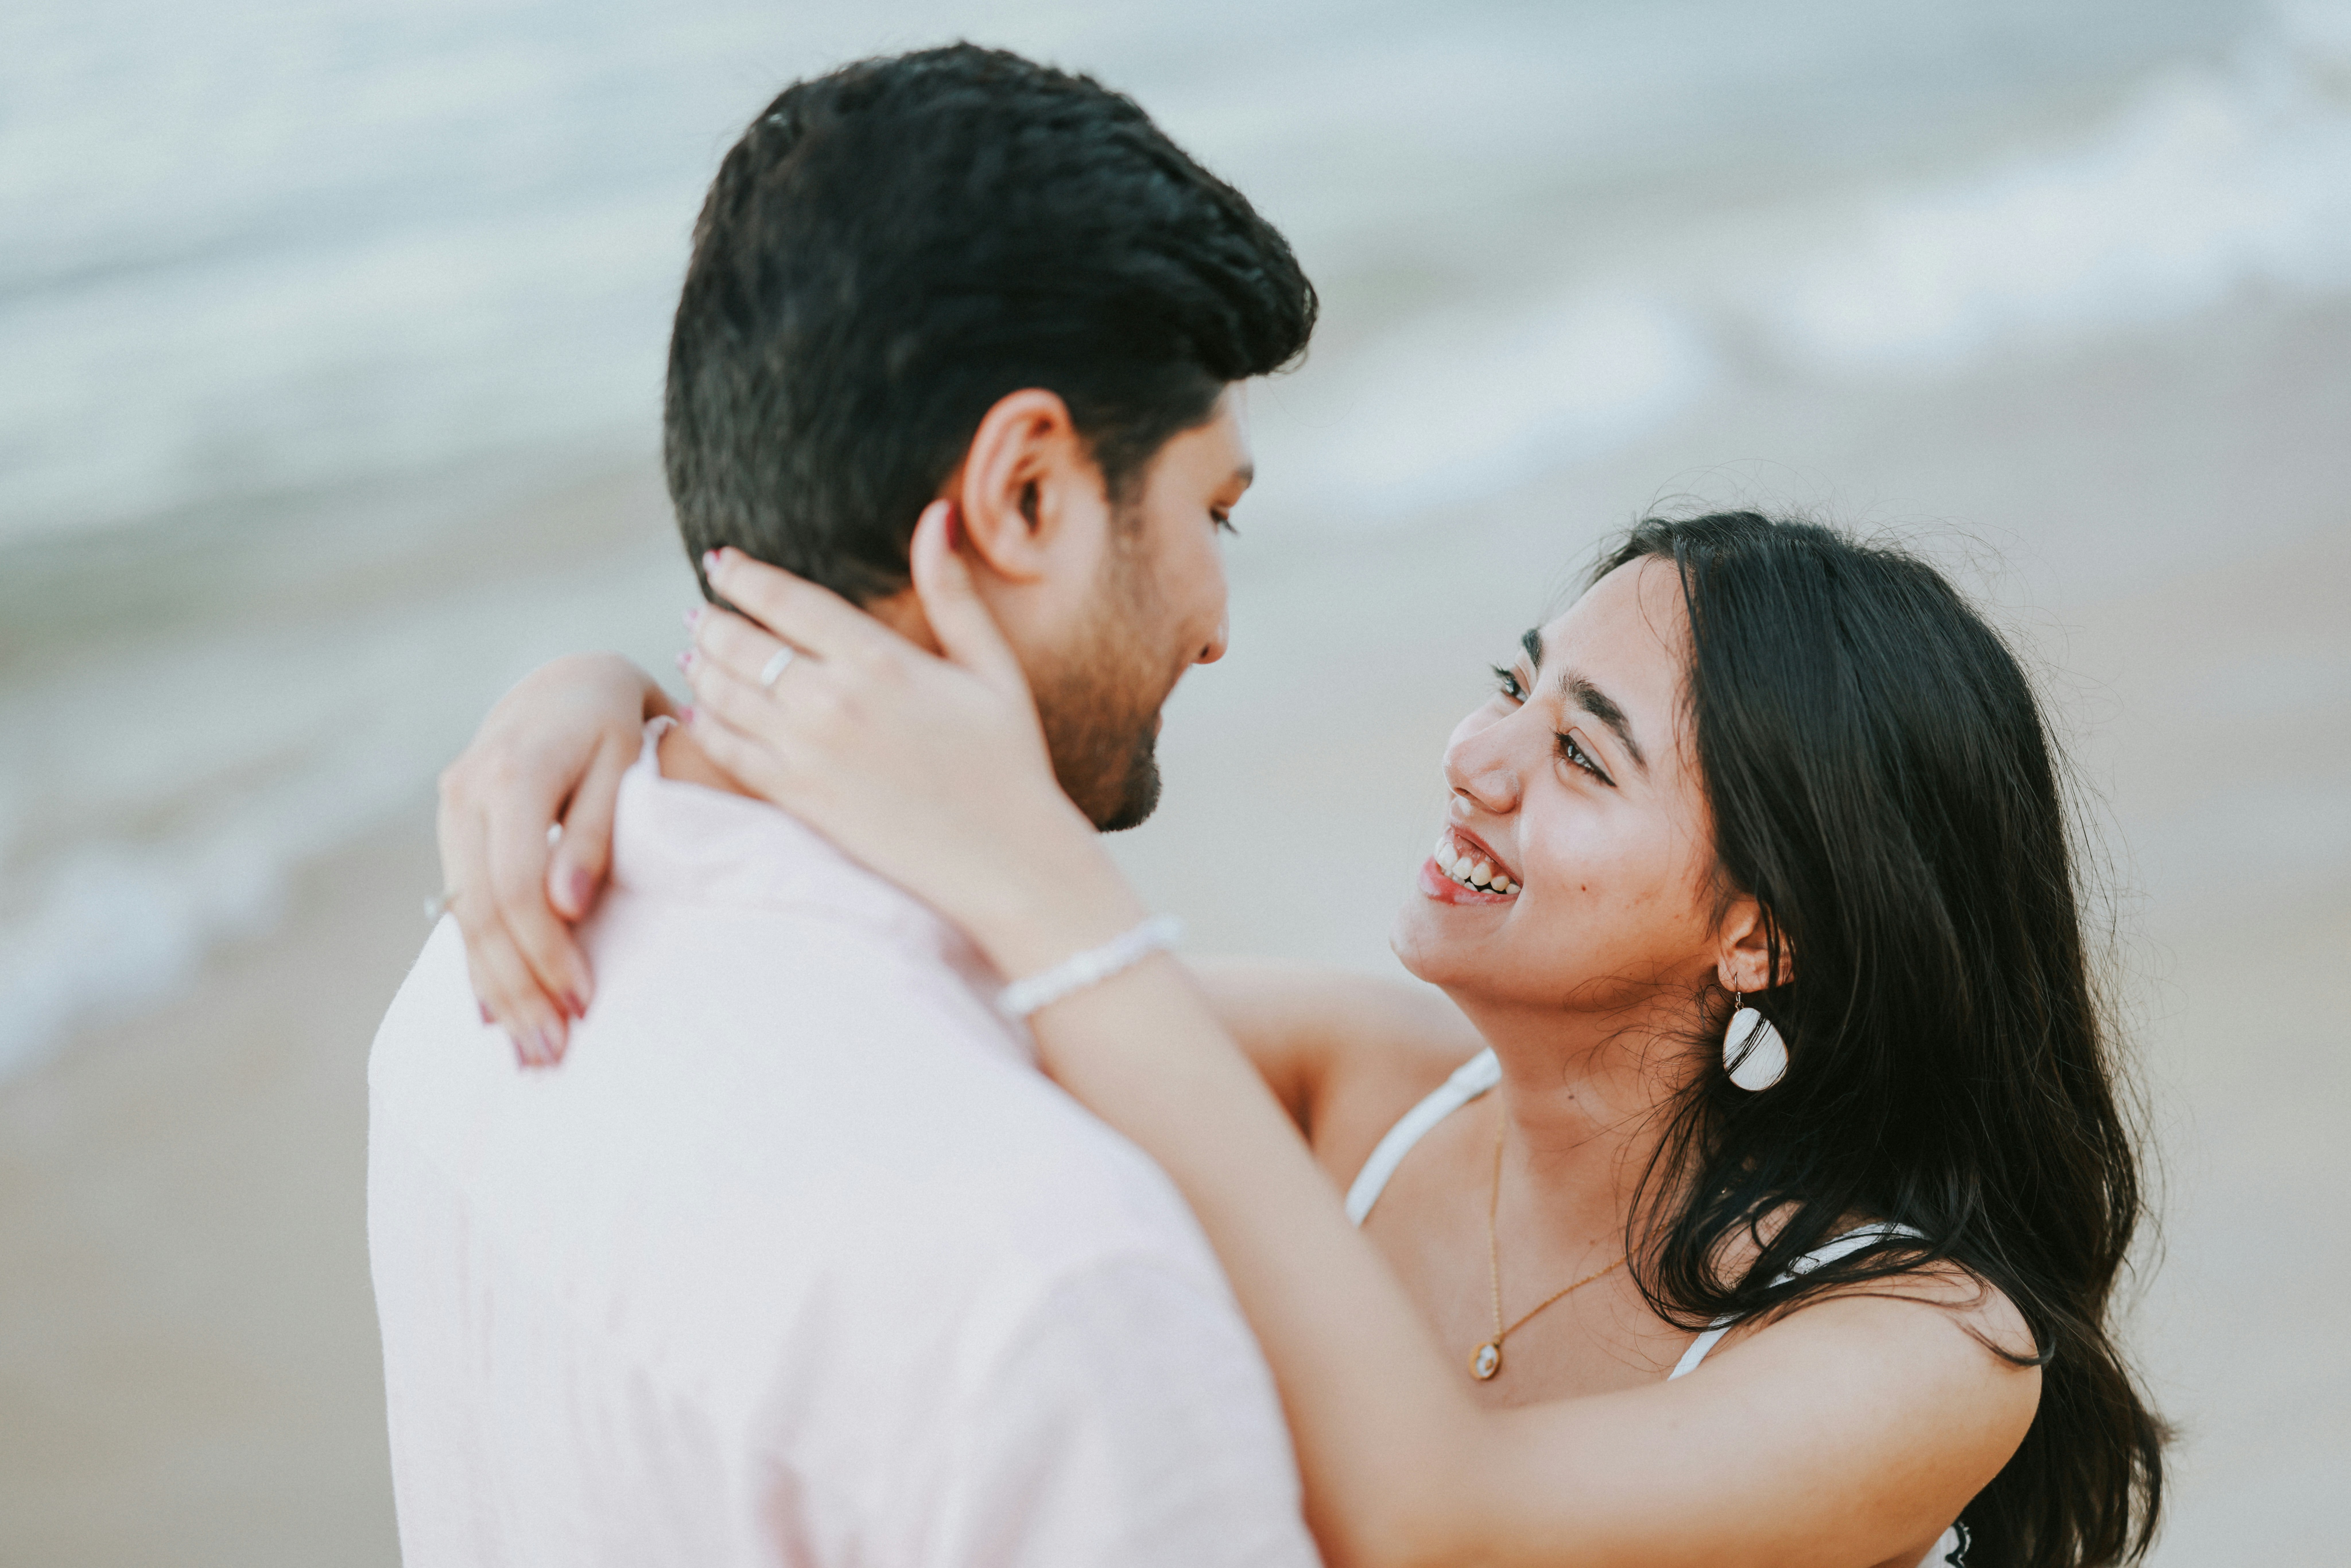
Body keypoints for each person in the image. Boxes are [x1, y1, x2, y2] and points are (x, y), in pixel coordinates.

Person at [447, 507, 2168, 1566]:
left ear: (1763, 932)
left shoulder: (1930, 1348)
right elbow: (856, 990)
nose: (1474, 758)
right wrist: (624, 715)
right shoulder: (1364, 1088)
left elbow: (1441, 1522)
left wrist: (1055, 886)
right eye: (1514, 686)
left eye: (1583, 755)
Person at [369, 45, 1323, 1566]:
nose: (1219, 624)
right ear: (1024, 495)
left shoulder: (459, 983)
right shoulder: (1054, 1280)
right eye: (1214, 511)